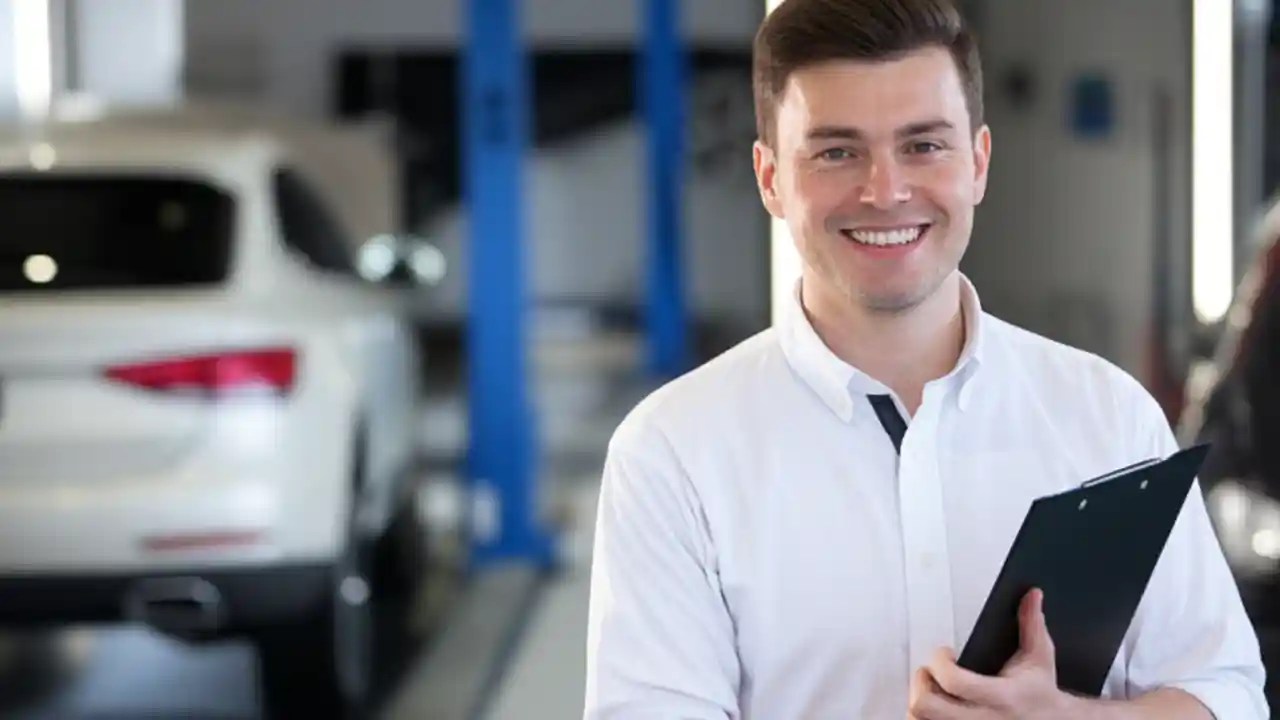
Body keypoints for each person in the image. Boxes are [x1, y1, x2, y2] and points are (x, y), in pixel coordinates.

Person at [583, 0, 1269, 717]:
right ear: (770, 179)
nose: (886, 191)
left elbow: (1224, 695)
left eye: (923, 145)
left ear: (977, 162)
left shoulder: (1107, 415)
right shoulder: (673, 454)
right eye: (836, 151)